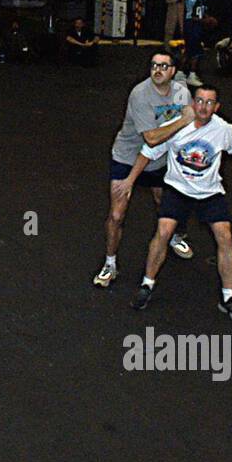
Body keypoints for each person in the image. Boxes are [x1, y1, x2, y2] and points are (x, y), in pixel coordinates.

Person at [126, 82, 232, 321]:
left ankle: (228, 297)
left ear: (216, 107)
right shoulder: (176, 126)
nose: (203, 106)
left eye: (209, 102)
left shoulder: (223, 129)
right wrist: (129, 181)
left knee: (225, 236)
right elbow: (148, 152)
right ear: (192, 103)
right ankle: (147, 285)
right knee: (164, 231)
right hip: (177, 189)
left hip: (209, 193)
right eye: (199, 101)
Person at [94, 48, 194, 289]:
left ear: (173, 71)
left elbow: (191, 128)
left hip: (160, 161)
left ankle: (175, 236)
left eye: (163, 66)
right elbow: (150, 138)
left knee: (166, 205)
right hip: (127, 158)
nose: (157, 70)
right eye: (153, 65)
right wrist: (184, 120)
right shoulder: (140, 94)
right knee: (117, 214)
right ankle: (110, 264)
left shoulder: (182, 93)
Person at [182, 0, 209, 85]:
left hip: (198, 25)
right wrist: (203, 20)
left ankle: (180, 73)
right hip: (192, 25)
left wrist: (208, 18)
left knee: (189, 51)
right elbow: (192, 15)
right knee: (196, 51)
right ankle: (191, 74)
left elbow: (203, 12)